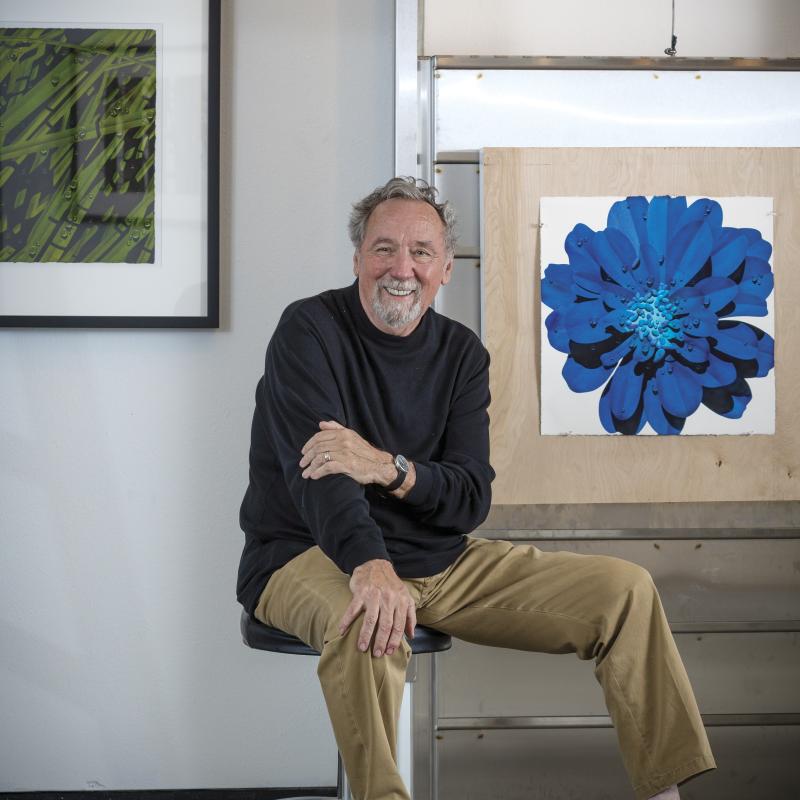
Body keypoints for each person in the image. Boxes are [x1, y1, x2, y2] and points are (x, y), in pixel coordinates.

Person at [237, 177, 716, 800]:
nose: (400, 268)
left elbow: (470, 497)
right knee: (369, 620)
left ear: (444, 271)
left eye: (420, 252)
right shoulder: (309, 331)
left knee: (625, 591)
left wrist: (388, 467)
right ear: (357, 259)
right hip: (309, 554)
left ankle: (663, 791)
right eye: (383, 249)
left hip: (438, 560)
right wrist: (369, 564)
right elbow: (322, 476)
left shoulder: (462, 354)